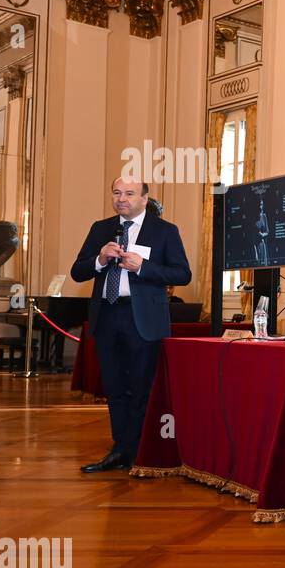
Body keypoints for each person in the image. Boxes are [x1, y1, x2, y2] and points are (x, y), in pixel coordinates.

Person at [70, 176, 192, 472]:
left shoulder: (164, 231)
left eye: (129, 193)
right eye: (116, 192)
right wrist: (99, 259)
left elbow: (182, 274)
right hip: (108, 316)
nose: (121, 198)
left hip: (143, 320)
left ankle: (141, 450)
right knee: (115, 388)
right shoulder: (101, 229)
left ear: (144, 199)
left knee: (141, 388)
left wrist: (143, 267)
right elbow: (77, 272)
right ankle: (121, 449)